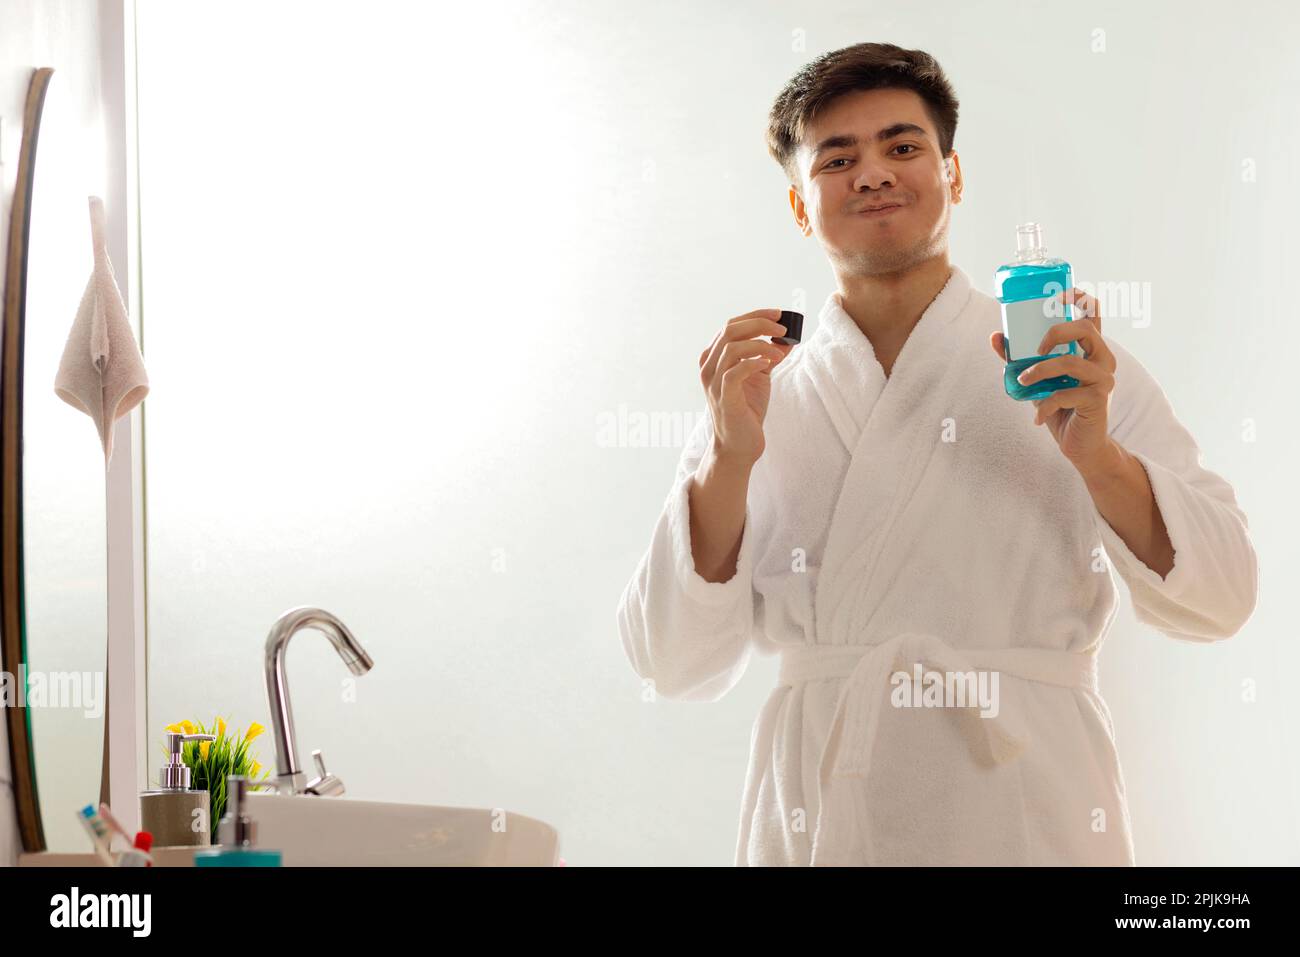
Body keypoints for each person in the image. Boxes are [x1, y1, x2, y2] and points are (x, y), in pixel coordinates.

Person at [615, 42, 1258, 866]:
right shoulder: (752, 399)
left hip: (1024, 805)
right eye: (838, 159)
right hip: (818, 805)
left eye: (903, 146)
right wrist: (727, 461)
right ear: (801, 208)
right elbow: (669, 663)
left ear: (953, 175)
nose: (874, 173)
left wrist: (1097, 458)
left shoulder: (1072, 365)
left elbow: (1226, 594)